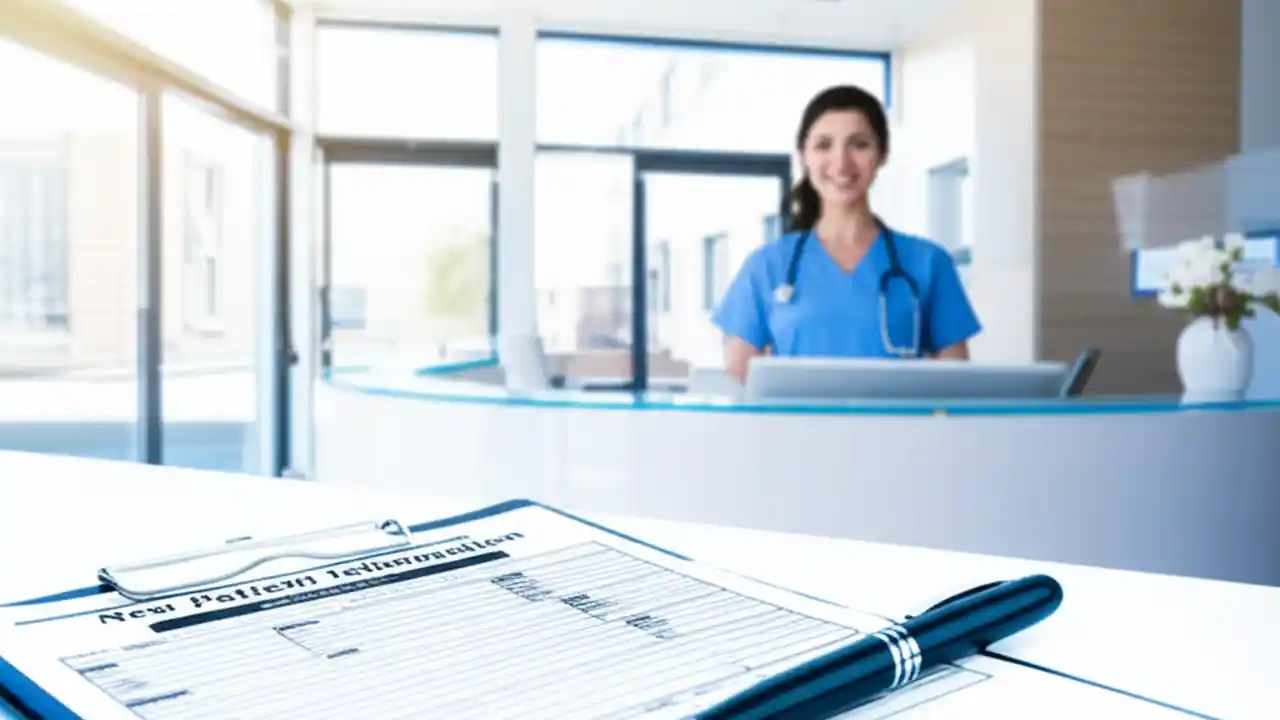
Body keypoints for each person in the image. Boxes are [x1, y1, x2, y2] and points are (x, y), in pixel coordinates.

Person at [712, 84, 981, 383]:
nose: (841, 163)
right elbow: (739, 383)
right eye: (824, 145)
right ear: (803, 156)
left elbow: (956, 388)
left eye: (859, 144)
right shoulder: (767, 266)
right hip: (795, 430)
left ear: (882, 154)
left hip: (899, 430)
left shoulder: (929, 262)